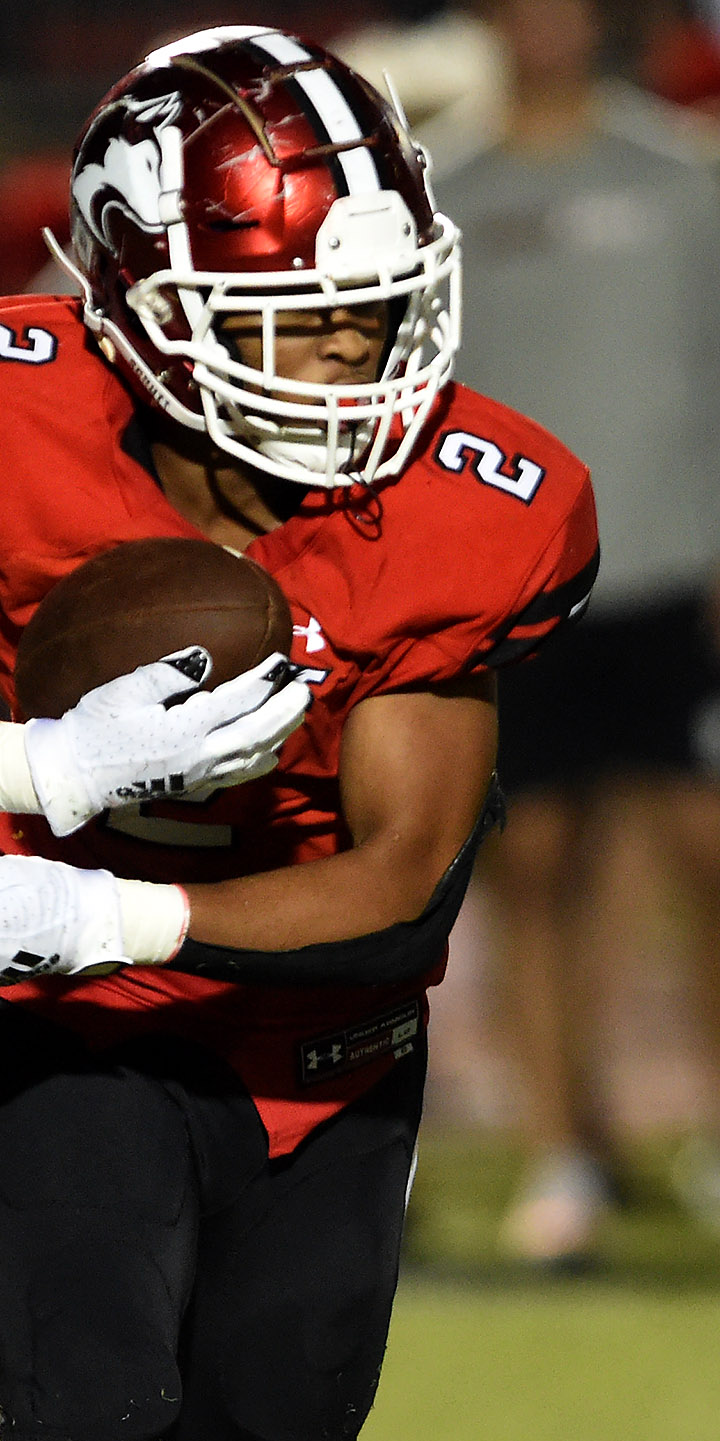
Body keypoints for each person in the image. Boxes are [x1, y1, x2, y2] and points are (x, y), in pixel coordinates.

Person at [0, 27, 598, 1441]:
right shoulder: (1, 402)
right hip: (67, 1034)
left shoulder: (469, 508)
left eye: (375, 312)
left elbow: (398, 884)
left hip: (322, 1047)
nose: (353, 358)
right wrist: (38, 769)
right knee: (98, 1420)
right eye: (298, 316)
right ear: (144, 301)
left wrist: (112, 907)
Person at [438, 0, 720, 1263]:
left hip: (678, 576)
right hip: (516, 588)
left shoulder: (680, 174)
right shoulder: (431, 190)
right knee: (532, 861)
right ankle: (562, 1157)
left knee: (704, 852)